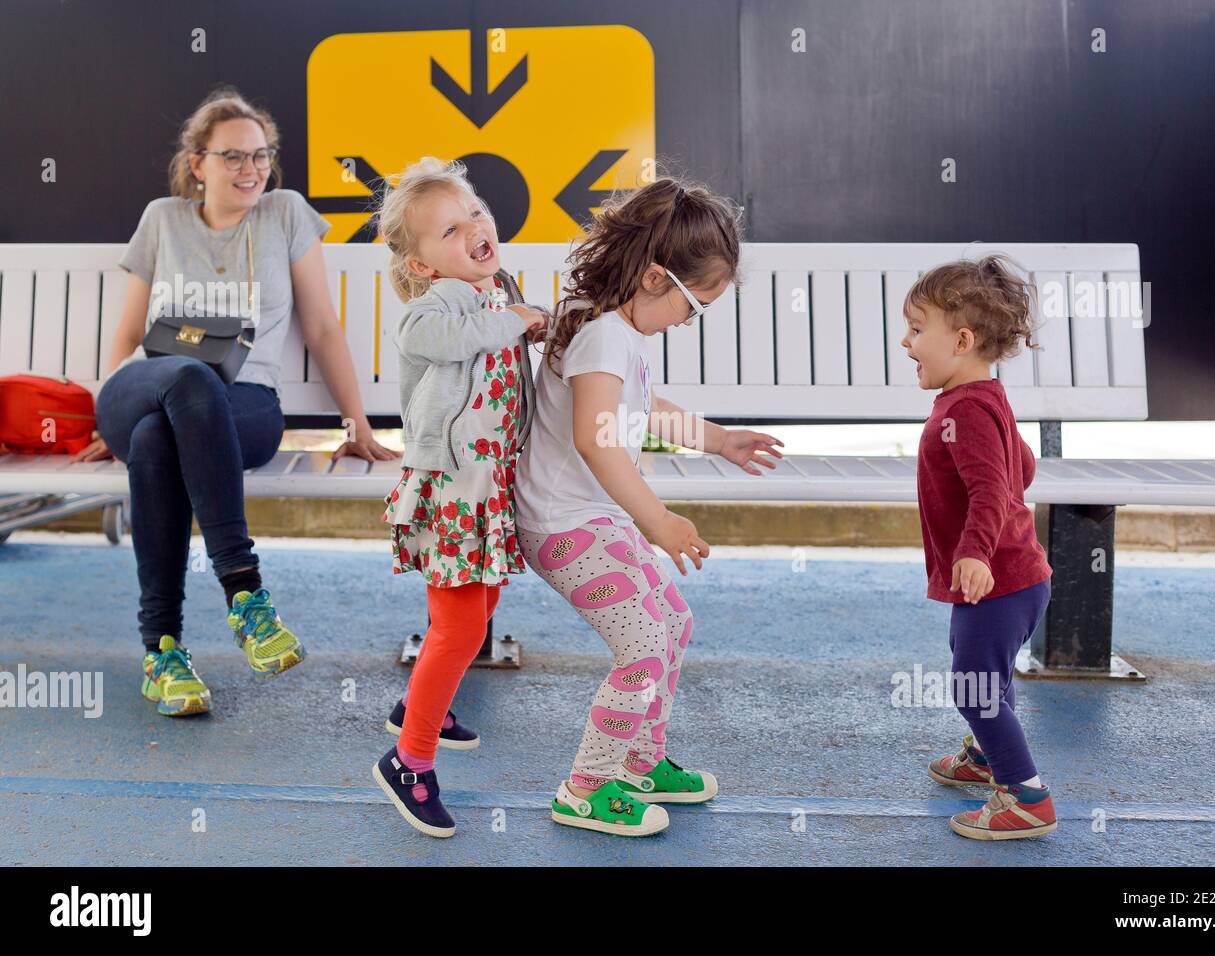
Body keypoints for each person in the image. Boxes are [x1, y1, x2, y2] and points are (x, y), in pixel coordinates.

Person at [73, 87, 397, 716]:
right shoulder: (162, 218)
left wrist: (355, 421)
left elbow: (323, 327)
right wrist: (106, 407)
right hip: (146, 385)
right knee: (182, 383)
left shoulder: (284, 214)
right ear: (198, 164)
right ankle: (246, 597)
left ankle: (161, 653)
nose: (252, 170)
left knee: (156, 438)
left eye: (261, 155)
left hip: (243, 403)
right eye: (233, 157)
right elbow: (128, 332)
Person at [514, 177, 784, 836]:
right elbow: (595, 436)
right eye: (695, 308)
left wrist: (717, 438)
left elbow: (637, 411)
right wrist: (658, 520)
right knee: (641, 644)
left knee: (672, 621)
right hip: (564, 524)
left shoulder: (610, 325)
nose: (690, 322)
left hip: (590, 518)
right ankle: (586, 786)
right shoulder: (605, 333)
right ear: (658, 277)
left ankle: (640, 761)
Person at [367, 158, 548, 837]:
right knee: (461, 626)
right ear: (422, 266)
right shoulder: (434, 306)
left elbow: (513, 361)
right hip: (450, 489)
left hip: (488, 486)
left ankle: (425, 705)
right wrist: (513, 319)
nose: (474, 226)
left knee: (484, 601)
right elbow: (436, 339)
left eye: (474, 211)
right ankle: (408, 760)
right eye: (449, 228)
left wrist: (532, 320)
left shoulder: (497, 286)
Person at [902, 255, 1057, 840]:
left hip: (997, 577)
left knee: (974, 685)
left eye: (918, 329)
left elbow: (994, 487)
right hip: (1018, 578)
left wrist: (973, 551)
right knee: (986, 671)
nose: (906, 341)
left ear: (962, 340)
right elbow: (1023, 466)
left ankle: (1025, 795)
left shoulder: (965, 409)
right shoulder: (986, 397)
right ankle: (985, 756)